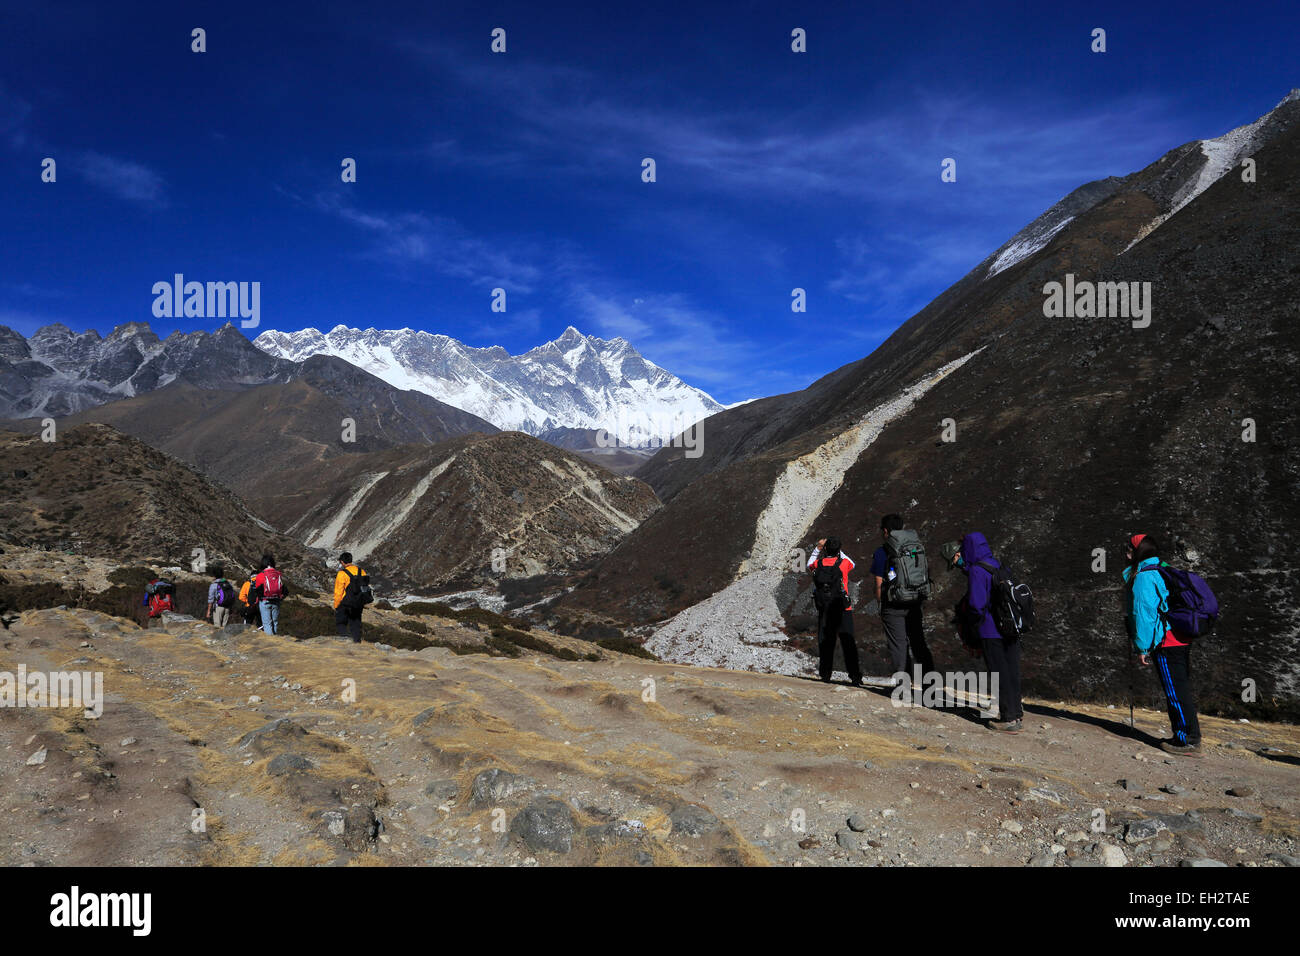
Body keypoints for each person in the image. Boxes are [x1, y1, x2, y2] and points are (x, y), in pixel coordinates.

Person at [1123, 533, 1201, 756]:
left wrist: (1142, 647)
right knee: (1180, 687)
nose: (1126, 553)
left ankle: (1188, 739)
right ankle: (1183, 736)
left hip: (1165, 641)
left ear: (1139, 551)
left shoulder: (1144, 577)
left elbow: (1143, 615)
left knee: (1175, 691)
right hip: (1179, 637)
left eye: (1129, 549)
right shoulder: (1162, 568)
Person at [957, 532, 1023, 732]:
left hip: (990, 629)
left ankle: (1008, 718)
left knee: (998, 672)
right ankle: (1016, 711)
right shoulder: (999, 565)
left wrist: (971, 622)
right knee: (1012, 670)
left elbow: (977, 604)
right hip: (1011, 628)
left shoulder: (978, 570)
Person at [871, 514, 934, 684]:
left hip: (893, 604)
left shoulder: (882, 551)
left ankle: (903, 686)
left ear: (885, 530)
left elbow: (879, 583)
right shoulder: (915, 546)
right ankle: (930, 686)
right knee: (918, 642)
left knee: (898, 645)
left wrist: (880, 604)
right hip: (914, 600)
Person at [807, 536, 863, 686]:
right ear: (838, 550)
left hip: (825, 608)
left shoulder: (818, 564)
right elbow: (853, 563)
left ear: (825, 550)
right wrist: (838, 551)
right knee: (848, 641)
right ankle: (855, 676)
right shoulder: (843, 563)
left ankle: (825, 674)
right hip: (843, 607)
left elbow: (808, 564)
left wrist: (818, 548)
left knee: (826, 641)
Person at [333, 551, 367, 643]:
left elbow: (338, 592)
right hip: (359, 603)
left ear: (342, 562)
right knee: (356, 624)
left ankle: (345, 642)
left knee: (341, 623)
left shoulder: (342, 574)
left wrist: (336, 606)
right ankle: (357, 643)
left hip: (346, 603)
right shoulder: (362, 571)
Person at [253, 554, 287, 635]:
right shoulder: (278, 574)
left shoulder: (260, 575)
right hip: (276, 600)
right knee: (275, 622)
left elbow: (257, 590)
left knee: (267, 624)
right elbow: (282, 588)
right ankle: (275, 638)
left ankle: (271, 643)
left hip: (265, 601)